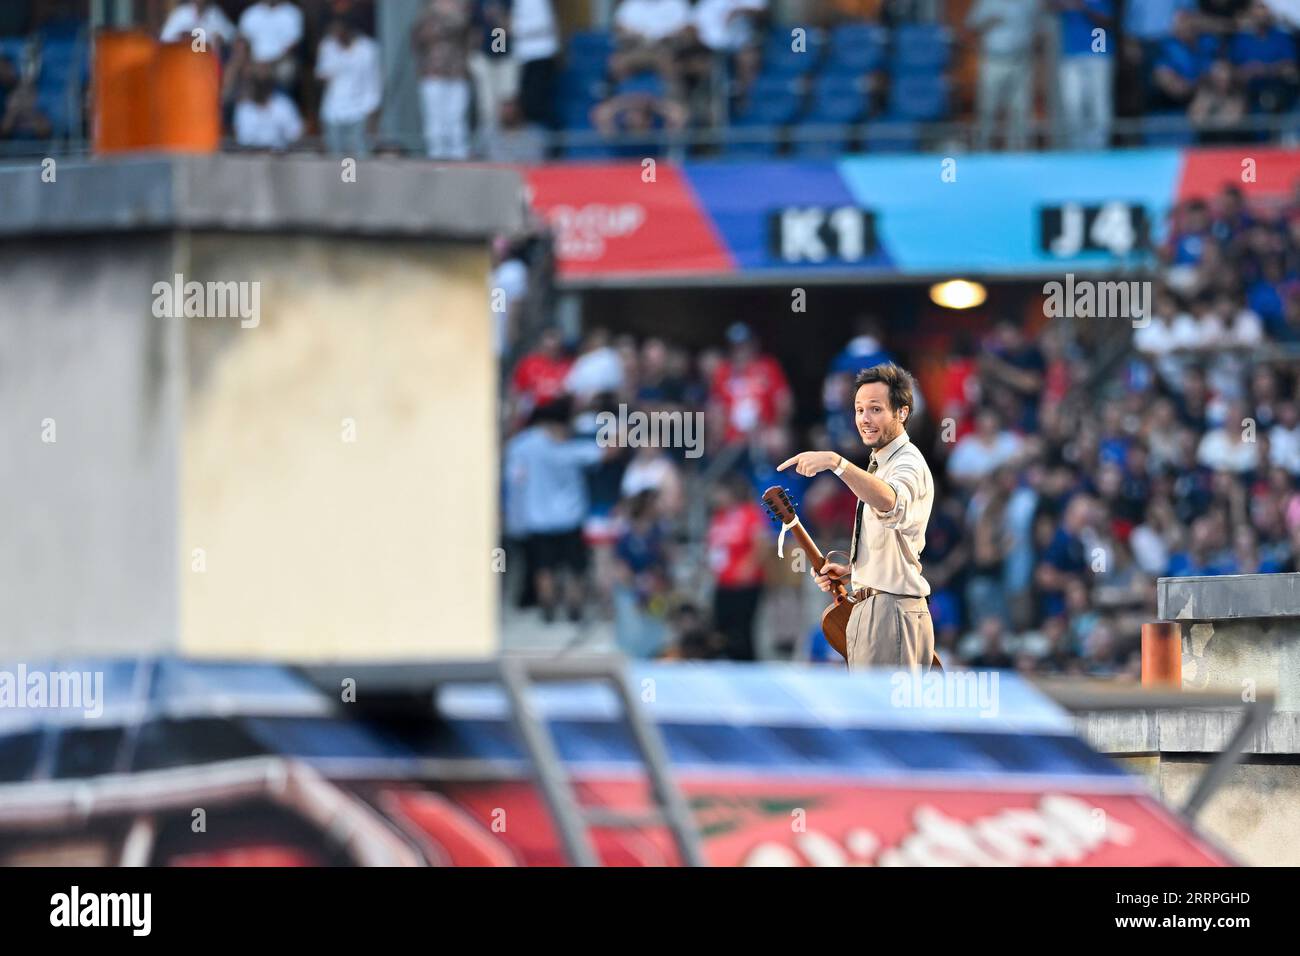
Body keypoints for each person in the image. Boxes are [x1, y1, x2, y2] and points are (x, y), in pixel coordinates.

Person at [780, 363, 938, 672]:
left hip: (890, 613)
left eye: (876, 409)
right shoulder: (880, 465)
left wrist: (836, 462)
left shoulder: (907, 462)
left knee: (887, 720)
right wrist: (854, 572)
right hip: (875, 609)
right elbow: (894, 543)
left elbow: (891, 501)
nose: (864, 419)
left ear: (902, 413)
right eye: (859, 409)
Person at [504, 398, 606, 623]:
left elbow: (515, 479)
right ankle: (573, 609)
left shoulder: (522, 445)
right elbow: (606, 453)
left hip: (538, 518)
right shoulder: (570, 446)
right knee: (573, 569)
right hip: (569, 517)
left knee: (544, 568)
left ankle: (548, 610)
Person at [966, 0, 1042, 151]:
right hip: (994, 61)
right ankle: (983, 151)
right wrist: (989, 22)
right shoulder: (986, 2)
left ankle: (1019, 153)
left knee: (1021, 110)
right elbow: (971, 26)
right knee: (988, 109)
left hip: (1021, 61)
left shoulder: (1030, 2)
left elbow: (1039, 27)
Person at [413, 0, 473, 159]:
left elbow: (463, 26)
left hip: (457, 71)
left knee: (456, 118)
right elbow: (419, 37)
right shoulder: (427, 11)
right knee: (435, 119)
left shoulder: (463, 7)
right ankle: (436, 156)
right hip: (433, 71)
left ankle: (459, 156)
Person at [315, 16, 382, 157]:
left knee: (360, 154)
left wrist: (372, 108)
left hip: (360, 109)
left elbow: (373, 80)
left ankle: (356, 180)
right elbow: (321, 75)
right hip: (333, 109)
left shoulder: (367, 49)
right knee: (335, 156)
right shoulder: (327, 46)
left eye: (339, 33)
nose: (336, 38)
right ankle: (341, 180)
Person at [1053, 0, 1115, 149]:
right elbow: (1048, 7)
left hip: (1098, 52)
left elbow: (1108, 20)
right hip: (1071, 53)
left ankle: (1100, 148)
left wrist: (1083, 7)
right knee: (1072, 104)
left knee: (1099, 106)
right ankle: (1076, 149)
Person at [232, 66, 303, 150]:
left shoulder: (283, 105)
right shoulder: (243, 108)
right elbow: (242, 139)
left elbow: (295, 134)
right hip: (250, 158)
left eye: (264, 83)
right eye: (258, 84)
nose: (261, 88)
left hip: (280, 157)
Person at [237, 0, 303, 88]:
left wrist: (269, 65)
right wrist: (250, 62)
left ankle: (281, 99)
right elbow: (243, 41)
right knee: (241, 68)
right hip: (254, 61)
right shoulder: (250, 13)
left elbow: (292, 45)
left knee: (286, 70)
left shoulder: (292, 13)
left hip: (279, 62)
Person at [160, 0, 236, 53]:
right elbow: (164, 39)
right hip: (182, 62)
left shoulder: (215, 14)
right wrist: (183, 38)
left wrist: (220, 40)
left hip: (208, 64)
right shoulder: (181, 14)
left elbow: (232, 36)